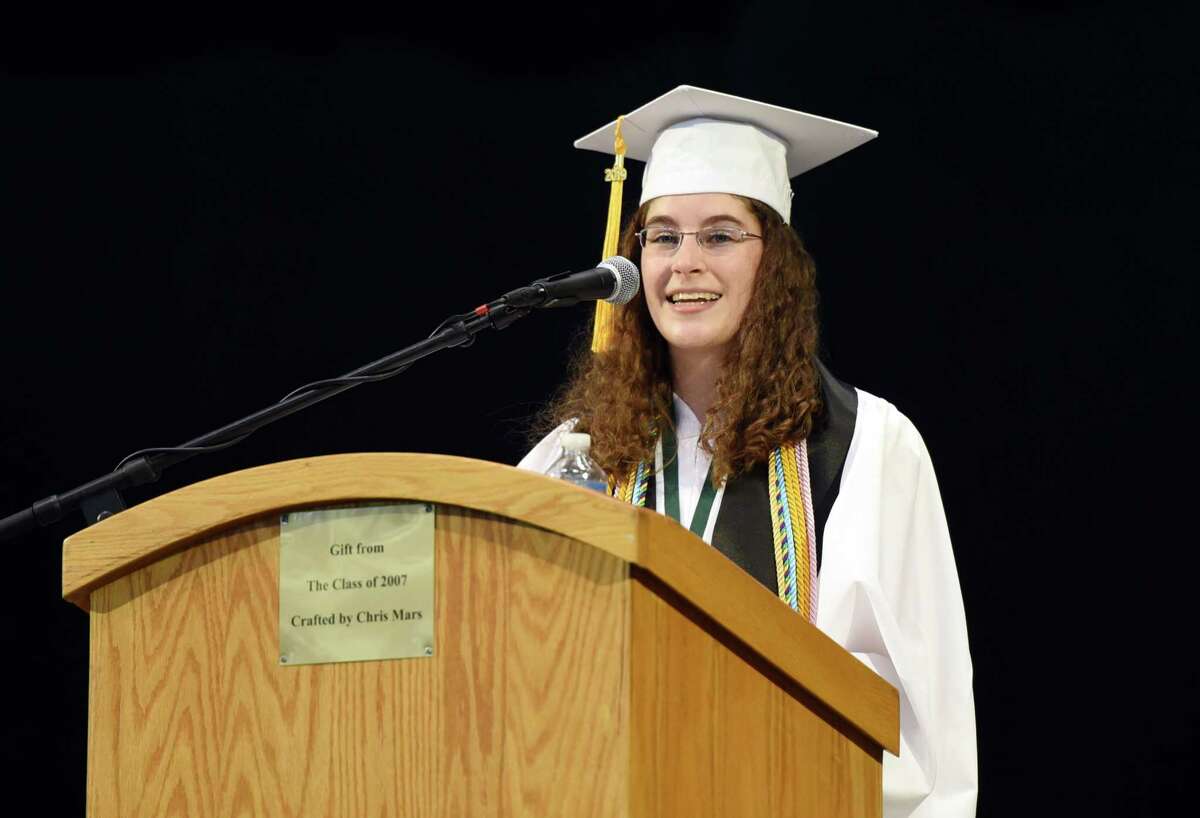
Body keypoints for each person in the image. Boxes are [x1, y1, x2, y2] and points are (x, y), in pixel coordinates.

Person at [519, 86, 977, 818]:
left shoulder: (865, 446)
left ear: (776, 265)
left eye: (720, 235)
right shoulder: (574, 455)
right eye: (663, 236)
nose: (684, 264)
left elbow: (921, 720)